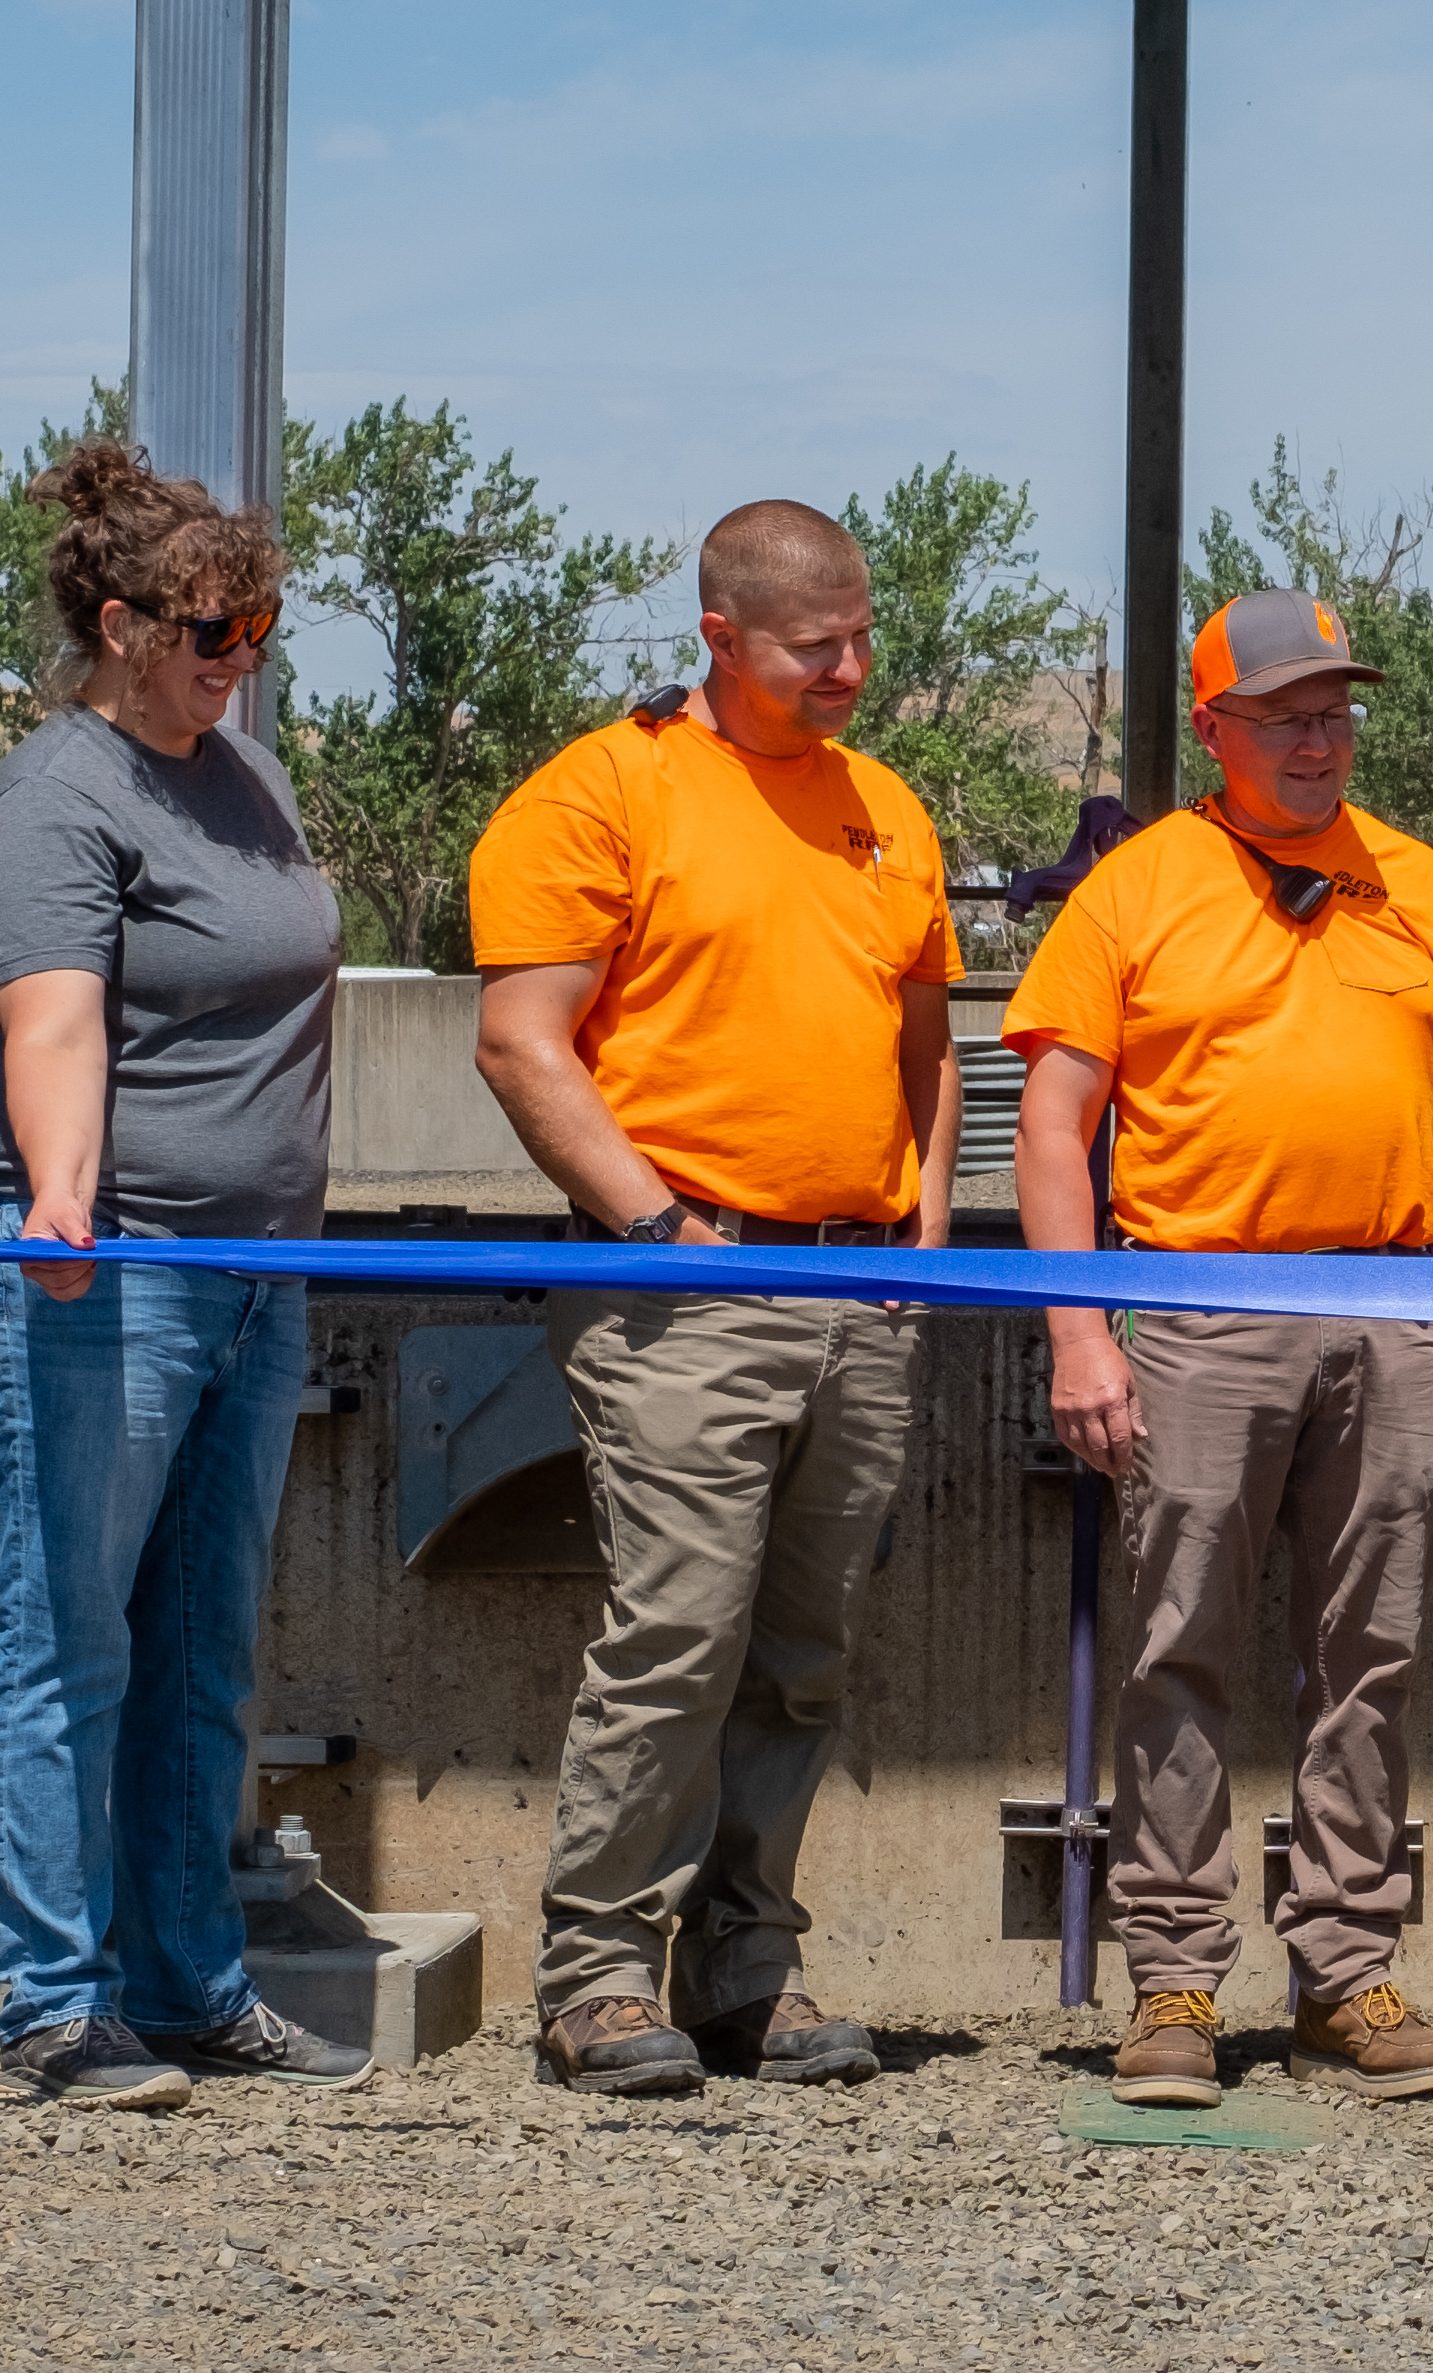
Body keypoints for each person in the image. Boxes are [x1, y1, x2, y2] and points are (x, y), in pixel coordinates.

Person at [1007, 590, 1433, 2108]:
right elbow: (1052, 1124)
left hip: (1392, 1305)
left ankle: (1346, 1970)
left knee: (1369, 1654)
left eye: (1336, 713)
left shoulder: (1419, 886)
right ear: (1214, 732)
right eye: (1286, 716)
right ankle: (1175, 1978)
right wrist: (1078, 1329)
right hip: (1196, 1308)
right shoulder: (1138, 891)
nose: (1320, 742)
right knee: (1180, 1642)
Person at [469, 501, 963, 2097]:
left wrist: (923, 1242)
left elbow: (925, 1047)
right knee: (678, 1624)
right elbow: (522, 1040)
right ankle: (598, 1974)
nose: (851, 668)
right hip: (683, 1283)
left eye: (862, 635)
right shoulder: (603, 792)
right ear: (719, 638)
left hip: (858, 1280)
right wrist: (658, 1224)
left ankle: (749, 1963)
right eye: (818, 646)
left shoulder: (884, 805)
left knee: (803, 1647)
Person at [0, 443, 369, 2107]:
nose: (245, 659)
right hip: (118, 1278)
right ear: (126, 623)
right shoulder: (59, 795)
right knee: (66, 1639)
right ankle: (44, 2000)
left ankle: (187, 1979)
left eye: (263, 628)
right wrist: (64, 1203)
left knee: (202, 1643)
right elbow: (53, 1012)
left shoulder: (248, 773)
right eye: (218, 633)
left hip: (254, 1273)